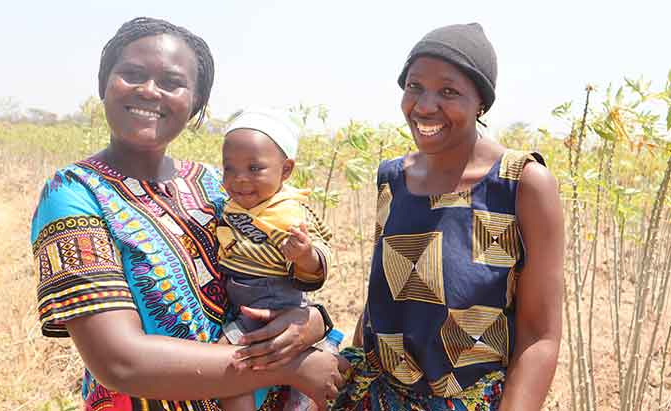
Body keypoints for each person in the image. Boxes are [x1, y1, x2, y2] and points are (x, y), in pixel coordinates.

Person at [30, 17, 343, 411]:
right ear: (103, 84)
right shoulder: (74, 193)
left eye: (172, 82)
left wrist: (312, 321)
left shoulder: (216, 183)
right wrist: (291, 368)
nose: (149, 90)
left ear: (195, 103)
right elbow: (120, 362)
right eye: (132, 74)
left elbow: (278, 274)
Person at [332, 23, 564, 411]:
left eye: (449, 91)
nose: (425, 106)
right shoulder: (393, 179)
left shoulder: (519, 184)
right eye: (414, 86)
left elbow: (540, 336)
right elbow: (381, 303)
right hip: (376, 397)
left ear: (481, 102)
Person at [216, 109, 334, 411]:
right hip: (243, 304)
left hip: (271, 307)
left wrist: (305, 256)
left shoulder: (290, 213)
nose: (240, 179)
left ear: (286, 170)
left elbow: (322, 257)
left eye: (254, 168)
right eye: (229, 168)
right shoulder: (233, 207)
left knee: (227, 362)